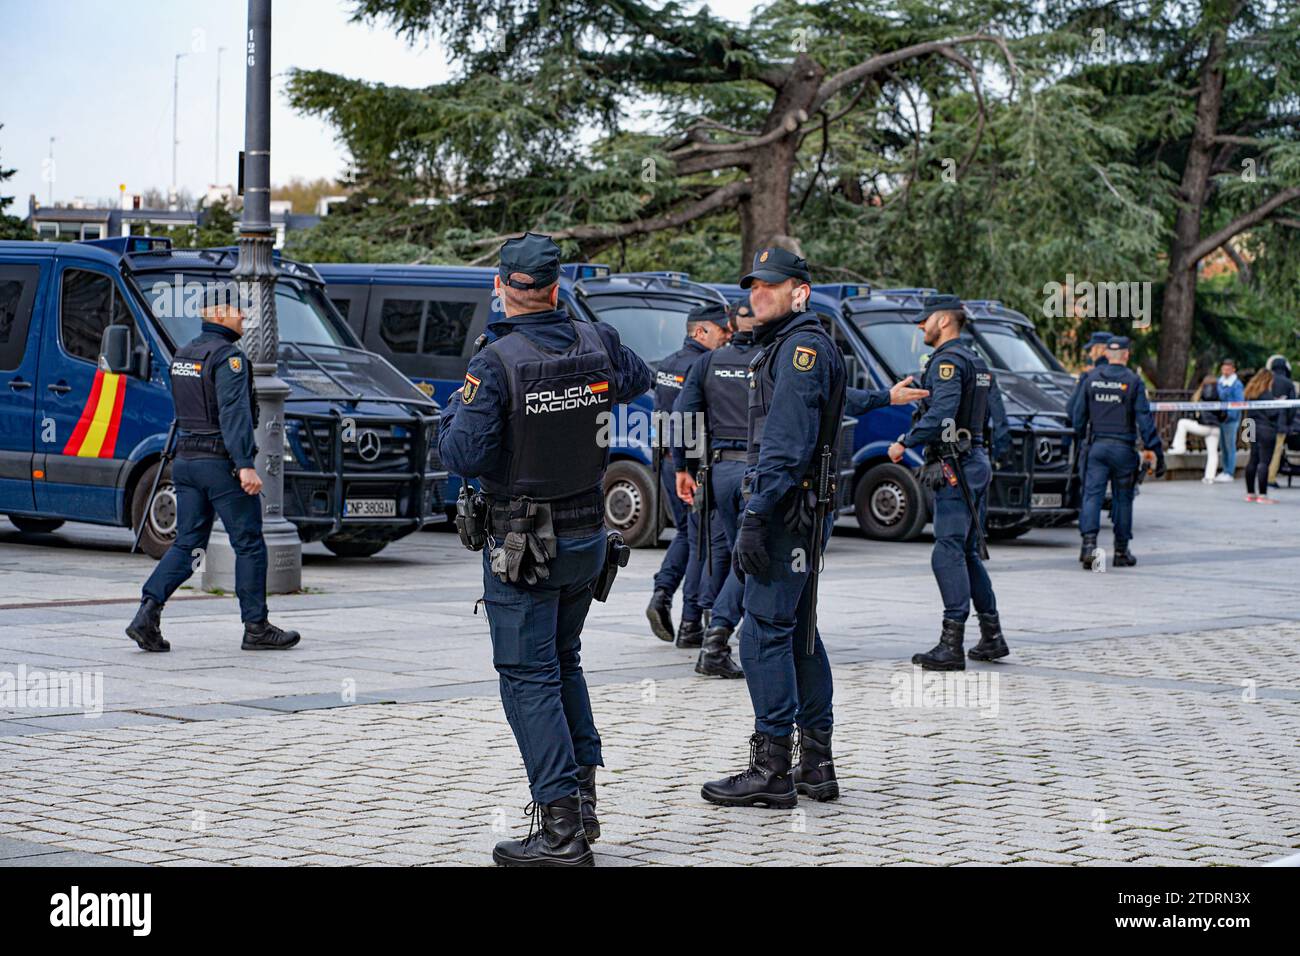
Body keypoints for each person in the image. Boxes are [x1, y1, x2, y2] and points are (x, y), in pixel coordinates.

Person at [437, 232, 652, 866]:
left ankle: (561, 832)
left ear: (501, 288)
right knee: (564, 662)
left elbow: (463, 454)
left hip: (526, 545)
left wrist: (455, 409)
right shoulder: (598, 341)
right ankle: (581, 808)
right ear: (557, 289)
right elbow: (636, 380)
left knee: (528, 678)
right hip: (588, 536)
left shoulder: (495, 361)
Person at [700, 246, 846, 808]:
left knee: (762, 633)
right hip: (802, 509)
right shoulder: (793, 345)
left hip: (787, 510)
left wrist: (756, 515)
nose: (755, 294)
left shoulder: (801, 349)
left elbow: (785, 443)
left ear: (800, 292)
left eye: (769, 286)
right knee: (798, 632)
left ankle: (773, 769)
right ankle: (816, 766)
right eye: (751, 286)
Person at [127, 283, 300, 653]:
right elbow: (234, 416)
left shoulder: (184, 354)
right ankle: (256, 627)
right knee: (250, 542)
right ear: (219, 314)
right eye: (238, 311)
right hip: (219, 464)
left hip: (186, 462)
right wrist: (244, 466)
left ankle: (147, 613)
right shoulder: (230, 359)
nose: (244, 318)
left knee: (188, 545)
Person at [888, 296, 1010, 670]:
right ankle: (992, 637)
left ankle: (951, 645)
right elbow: (999, 419)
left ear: (943, 320)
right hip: (976, 461)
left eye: (924, 321)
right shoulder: (978, 361)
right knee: (968, 551)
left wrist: (904, 442)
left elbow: (942, 413)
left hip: (954, 464)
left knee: (947, 550)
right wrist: (989, 457)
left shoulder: (947, 362)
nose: (920, 327)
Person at [672, 302, 753, 679]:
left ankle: (707, 622)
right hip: (759, 471)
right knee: (750, 556)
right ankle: (718, 635)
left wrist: (682, 469)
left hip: (719, 471)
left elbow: (683, 416)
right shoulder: (774, 358)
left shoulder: (709, 363)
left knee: (725, 549)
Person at [645, 306, 731, 649]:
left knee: (686, 534)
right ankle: (691, 621)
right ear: (700, 332)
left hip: (668, 459)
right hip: (691, 465)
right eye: (720, 330)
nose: (726, 335)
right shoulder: (703, 366)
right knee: (702, 542)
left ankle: (662, 594)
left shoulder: (668, 363)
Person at [1072, 336, 1164, 569]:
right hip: (1123, 449)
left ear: (1108, 354)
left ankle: (1089, 548)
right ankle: (1121, 551)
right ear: (1125, 355)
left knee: (1092, 496)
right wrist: (1156, 451)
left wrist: (1082, 443)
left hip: (1097, 447)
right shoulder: (1133, 381)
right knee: (1123, 500)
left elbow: (1078, 417)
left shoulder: (1091, 379)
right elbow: (1145, 420)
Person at [1070, 332, 1112, 493]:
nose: (1089, 354)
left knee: (1090, 493)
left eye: (1091, 349)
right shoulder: (1129, 378)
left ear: (1100, 350)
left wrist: (1079, 435)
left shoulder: (1089, 377)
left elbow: (1074, 411)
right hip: (1122, 445)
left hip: (1094, 443)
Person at [1169, 375, 1225, 483]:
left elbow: (1195, 411)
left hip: (1204, 426)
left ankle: (1179, 447)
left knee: (1182, 423)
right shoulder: (1221, 394)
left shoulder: (1205, 391)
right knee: (1212, 453)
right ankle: (1209, 477)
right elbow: (1223, 414)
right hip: (1216, 427)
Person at [1243, 368, 1280, 503]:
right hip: (1265, 428)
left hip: (1250, 426)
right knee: (1264, 462)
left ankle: (1250, 493)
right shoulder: (1266, 394)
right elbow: (1272, 413)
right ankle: (1262, 495)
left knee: (1253, 459)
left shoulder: (1250, 392)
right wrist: (1278, 404)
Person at [1265, 356, 1296, 487]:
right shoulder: (1289, 384)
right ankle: (1270, 479)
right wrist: (1288, 423)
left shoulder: (1266, 381)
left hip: (1264, 422)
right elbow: (1292, 407)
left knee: (1263, 450)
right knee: (1276, 452)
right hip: (1281, 423)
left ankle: (1260, 475)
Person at [1216, 359, 1244, 482]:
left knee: (1230, 445)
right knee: (1223, 445)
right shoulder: (1220, 382)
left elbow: (1239, 402)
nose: (1225, 370)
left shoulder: (1236, 384)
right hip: (1220, 418)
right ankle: (1224, 469)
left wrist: (1230, 415)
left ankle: (1229, 471)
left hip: (1230, 419)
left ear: (1233, 370)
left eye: (1228, 368)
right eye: (1224, 368)